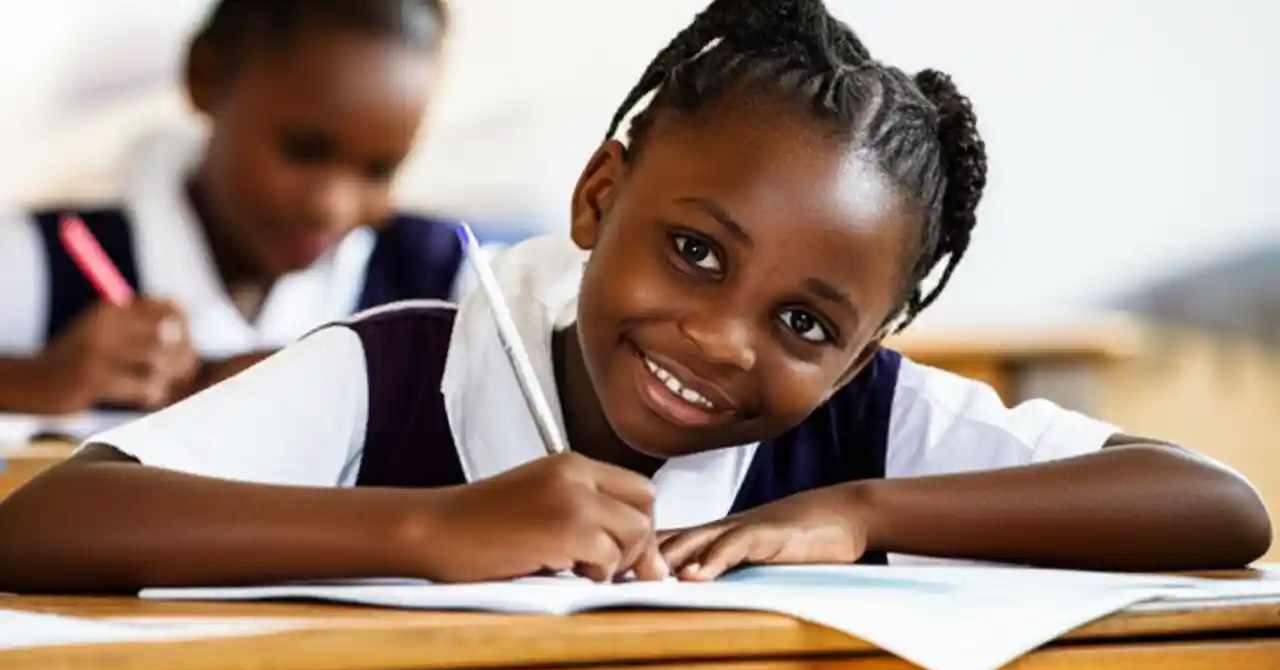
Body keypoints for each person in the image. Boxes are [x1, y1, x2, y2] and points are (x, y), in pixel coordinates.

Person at [0, 0, 1269, 592]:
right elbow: (46, 526)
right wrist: (427, 531)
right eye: (698, 252)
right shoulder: (399, 366)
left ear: (869, 346)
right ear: (599, 195)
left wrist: (859, 510)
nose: (718, 337)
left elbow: (1214, 508)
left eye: (807, 324)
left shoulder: (862, 426)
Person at [0, 0, 463, 413]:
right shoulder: (38, 261)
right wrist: (39, 380)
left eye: (380, 170)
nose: (331, 208)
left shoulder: (442, 275)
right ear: (205, 77)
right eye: (303, 151)